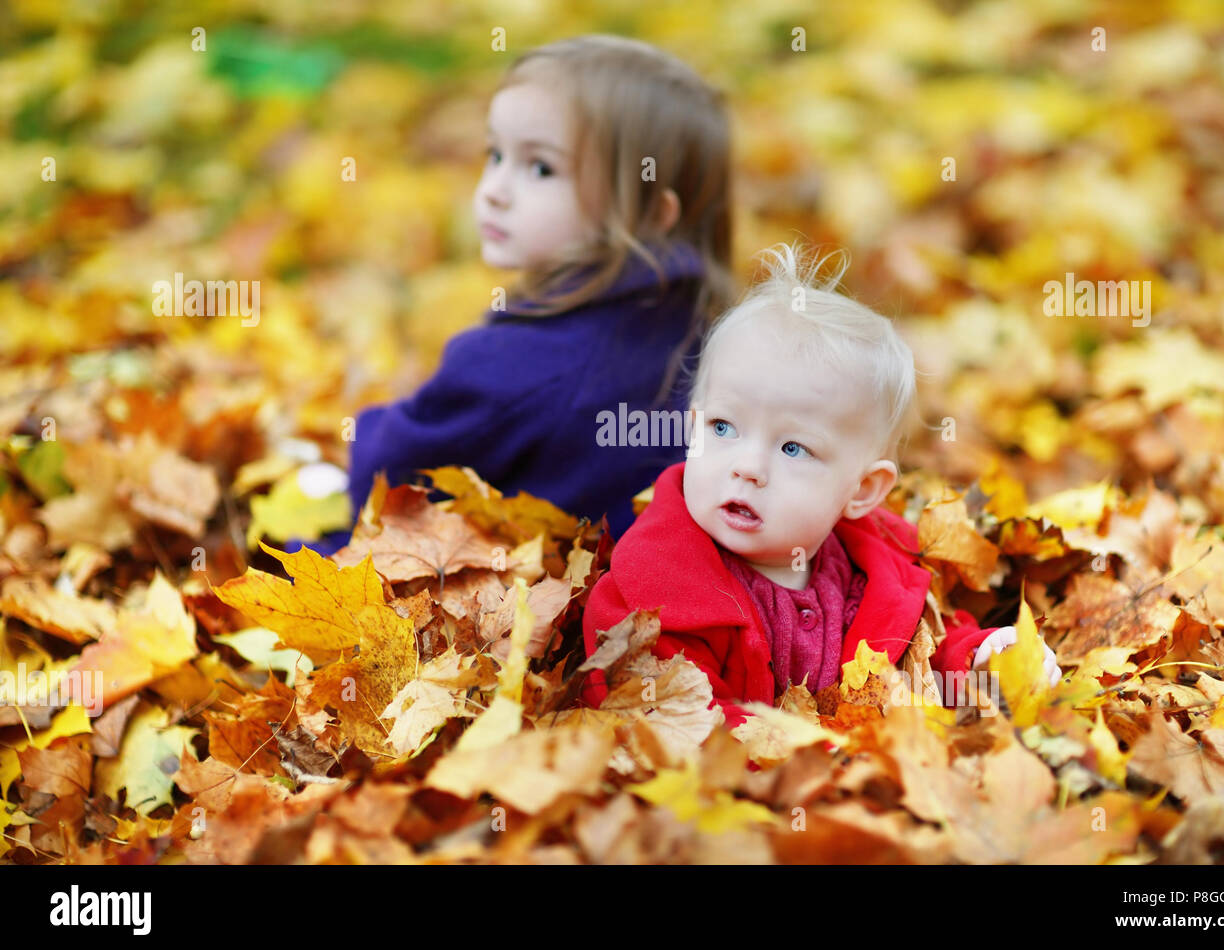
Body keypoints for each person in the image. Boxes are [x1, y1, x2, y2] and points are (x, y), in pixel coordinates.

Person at [580, 243, 1060, 728]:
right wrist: (818, 757)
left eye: (793, 448)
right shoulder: (651, 592)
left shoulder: (875, 567)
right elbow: (671, 719)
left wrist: (981, 658)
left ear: (862, 490)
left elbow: (927, 647)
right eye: (723, 427)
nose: (748, 467)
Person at [290, 34, 733, 555]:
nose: (495, 188)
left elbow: (391, 473)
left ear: (651, 214)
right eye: (495, 154)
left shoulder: (517, 361)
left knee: (288, 550)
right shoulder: (706, 336)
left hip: (502, 587)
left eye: (540, 167)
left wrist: (362, 432)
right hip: (607, 581)